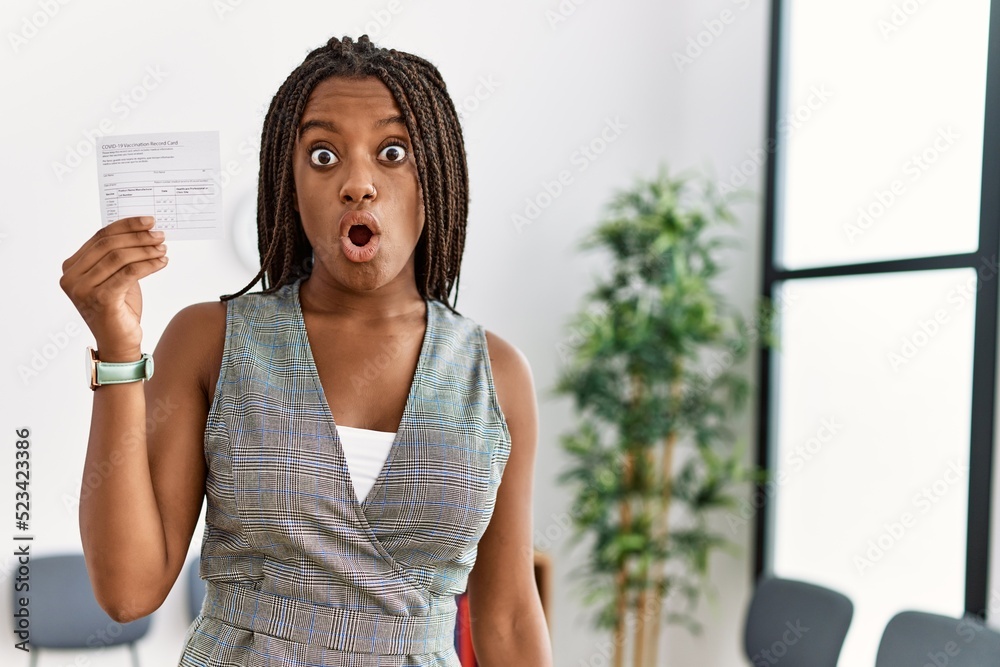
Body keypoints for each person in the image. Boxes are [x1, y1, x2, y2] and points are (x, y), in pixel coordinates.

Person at [59, 34, 553, 666]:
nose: (357, 183)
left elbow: (508, 618)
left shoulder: (496, 375)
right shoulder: (211, 341)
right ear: (288, 184)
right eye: (323, 155)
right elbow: (128, 592)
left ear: (436, 179)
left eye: (392, 152)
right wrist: (117, 348)